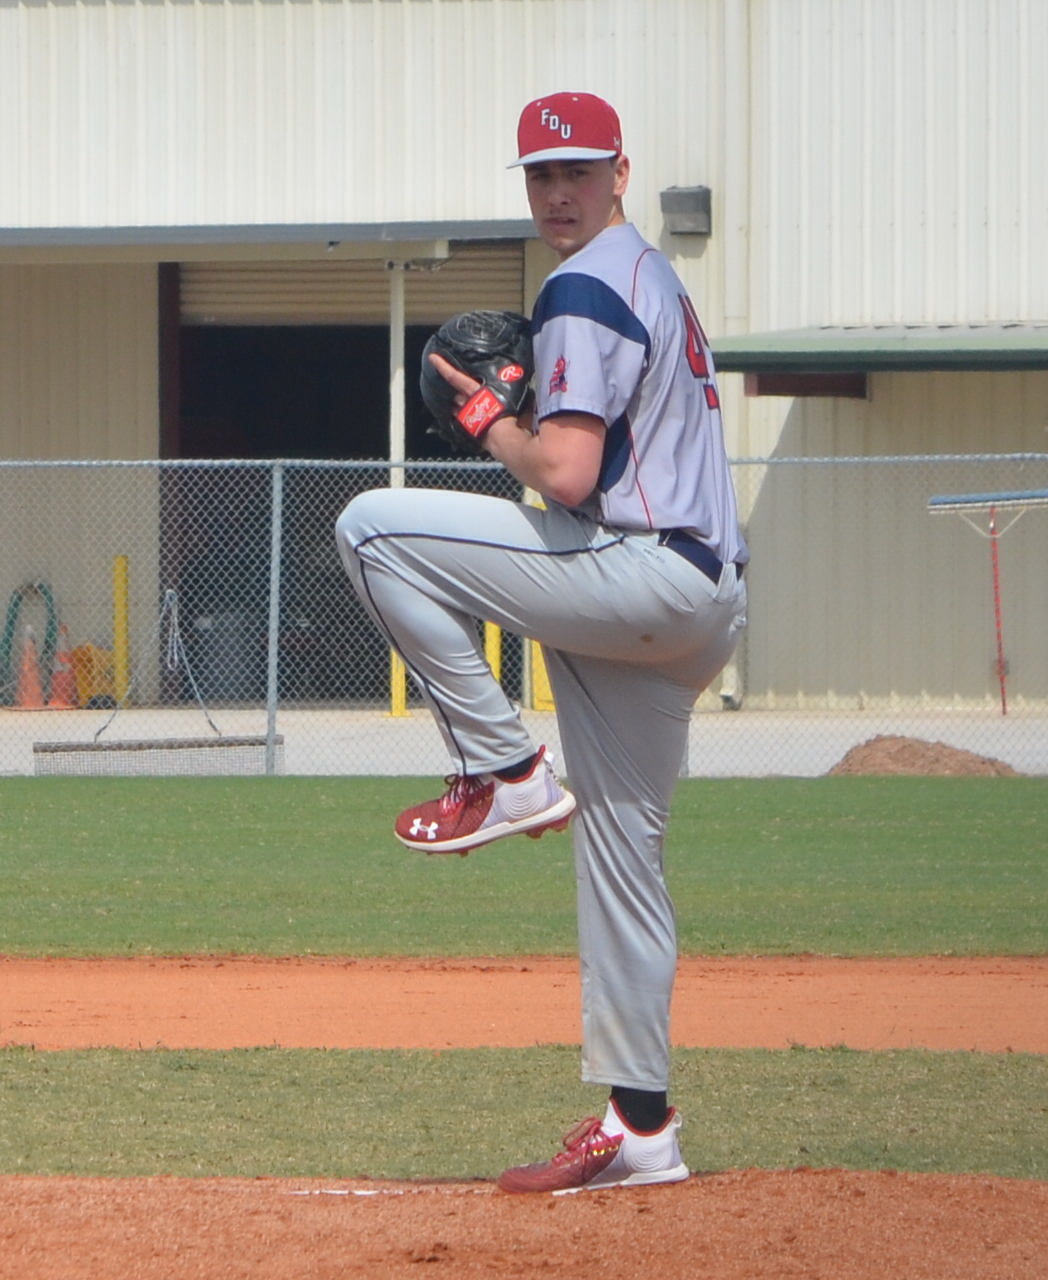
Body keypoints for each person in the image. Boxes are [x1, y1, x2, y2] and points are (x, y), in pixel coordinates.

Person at [334, 90, 747, 1194]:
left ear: (620, 170)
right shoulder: (655, 276)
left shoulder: (584, 281)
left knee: (373, 529)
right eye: (539, 175)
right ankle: (642, 1124)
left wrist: (489, 423)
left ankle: (503, 765)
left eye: (577, 169)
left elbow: (563, 471)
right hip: (697, 598)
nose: (557, 191)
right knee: (620, 852)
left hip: (642, 566)